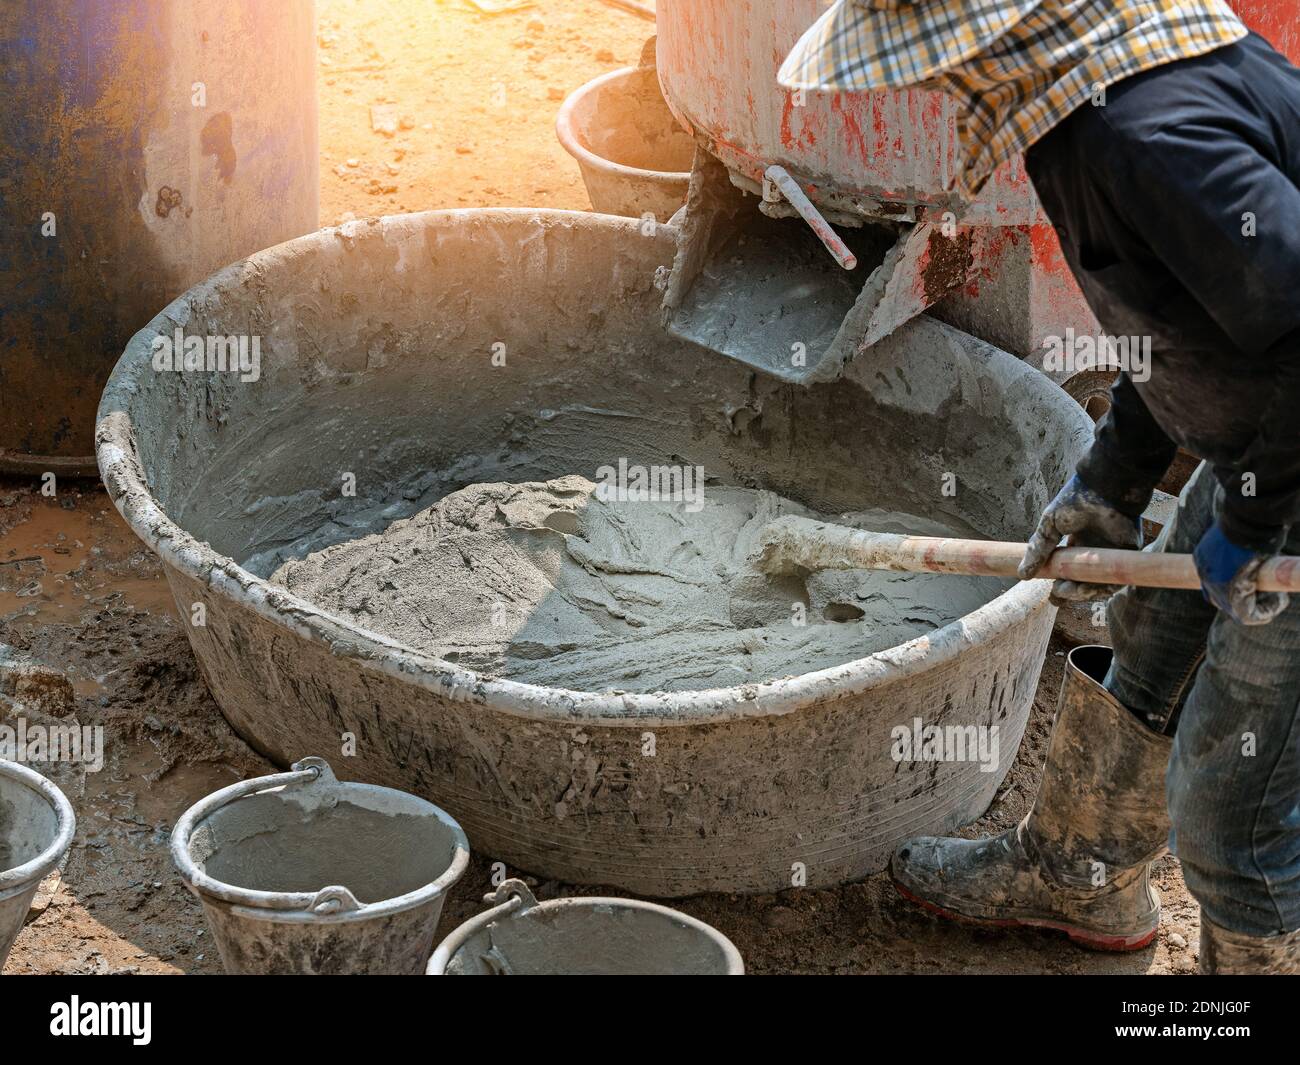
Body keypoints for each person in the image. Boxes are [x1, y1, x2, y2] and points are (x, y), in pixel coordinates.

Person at [780, 0, 1300, 974]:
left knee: (1232, 803)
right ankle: (1077, 876)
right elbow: (1192, 328)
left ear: (994, 44)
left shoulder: (1149, 136)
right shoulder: (1109, 109)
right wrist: (1111, 478)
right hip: (1267, 446)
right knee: (1149, 649)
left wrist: (1263, 524)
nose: (933, 90)